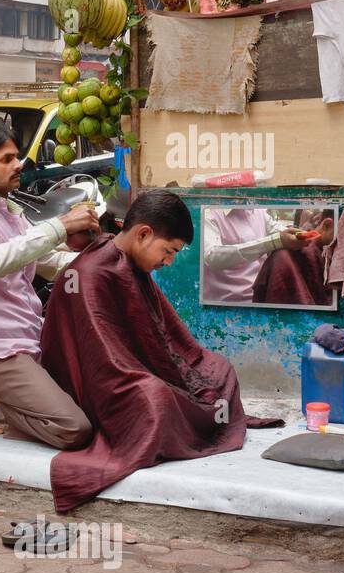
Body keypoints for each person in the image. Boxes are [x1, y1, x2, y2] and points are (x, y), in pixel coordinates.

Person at [39, 190, 281, 512]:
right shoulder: (89, 273)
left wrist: (183, 369)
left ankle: (184, 404)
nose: (167, 262)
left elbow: (167, 335)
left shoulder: (134, 265)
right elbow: (102, 358)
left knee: (219, 369)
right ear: (143, 234)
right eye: (168, 251)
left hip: (134, 368)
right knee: (155, 400)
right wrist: (157, 379)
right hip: (98, 385)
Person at [0, 116, 99, 448]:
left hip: (30, 340)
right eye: (6, 159)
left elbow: (50, 262)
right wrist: (61, 225)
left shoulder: (12, 212)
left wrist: (108, 257)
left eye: (16, 156)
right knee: (74, 429)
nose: (19, 164)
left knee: (98, 403)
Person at [201, 206, 334, 303]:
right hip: (226, 304)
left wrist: (309, 236)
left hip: (261, 298)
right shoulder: (209, 214)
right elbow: (212, 257)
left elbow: (279, 231)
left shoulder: (258, 211)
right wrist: (274, 242)